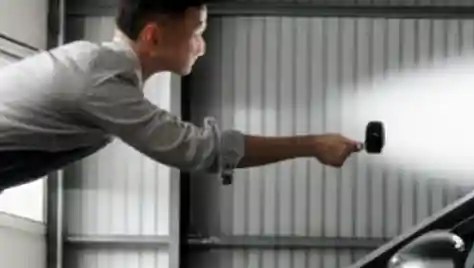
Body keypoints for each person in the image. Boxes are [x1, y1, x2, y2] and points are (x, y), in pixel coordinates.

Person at [0, 0, 362, 194]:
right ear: (153, 36)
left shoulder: (96, 66)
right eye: (196, 31)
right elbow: (200, 151)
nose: (201, 46)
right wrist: (314, 144)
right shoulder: (98, 81)